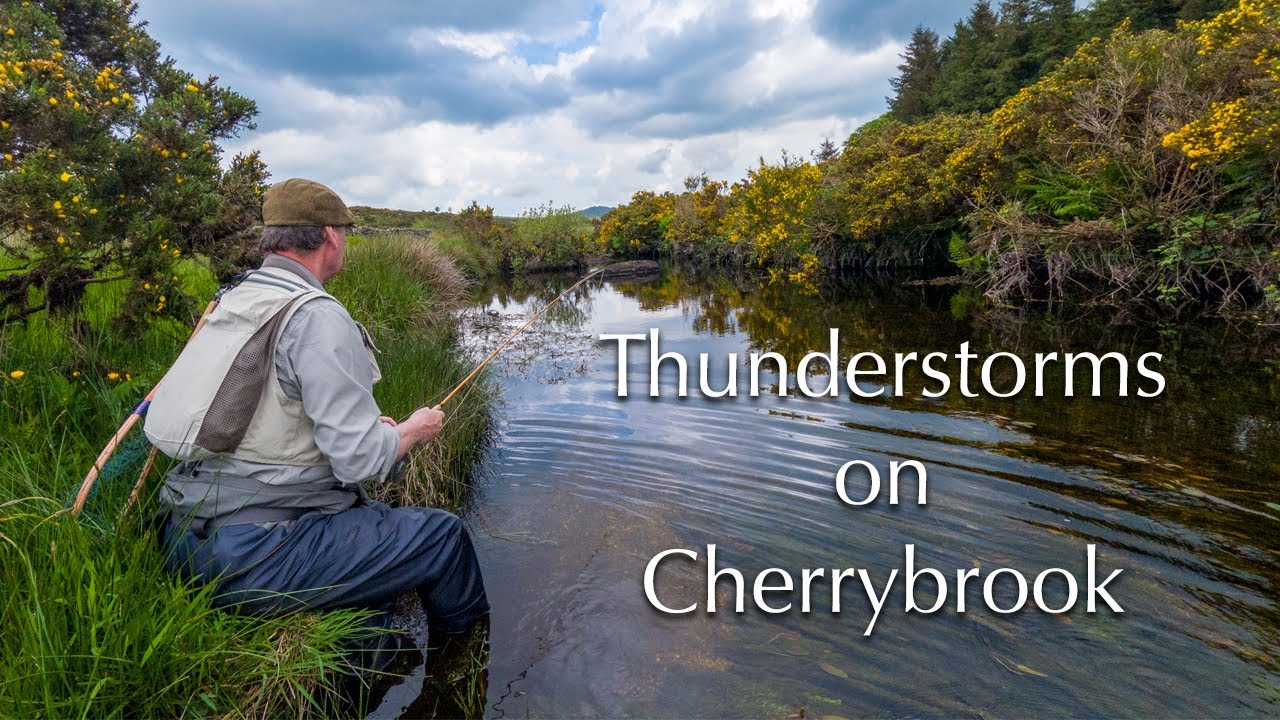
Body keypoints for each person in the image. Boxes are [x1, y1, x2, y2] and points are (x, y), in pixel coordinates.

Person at [143, 178, 489, 663]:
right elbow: (359, 463)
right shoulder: (316, 317)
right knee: (443, 539)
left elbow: (270, 422)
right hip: (249, 560)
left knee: (375, 591)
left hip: (181, 540)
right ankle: (465, 669)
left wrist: (377, 432)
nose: (345, 241)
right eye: (345, 233)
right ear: (330, 234)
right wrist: (414, 430)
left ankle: (379, 654)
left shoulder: (234, 298)